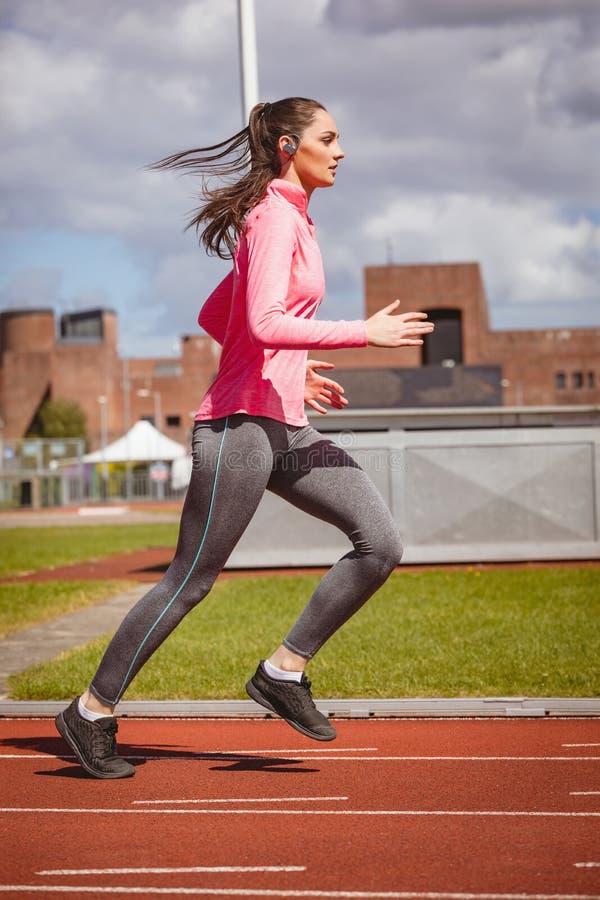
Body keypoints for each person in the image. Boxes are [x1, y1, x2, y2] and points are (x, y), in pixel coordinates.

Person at [55, 97, 434, 779]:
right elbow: (260, 319)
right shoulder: (272, 218)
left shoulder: (294, 221)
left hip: (284, 421)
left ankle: (283, 671)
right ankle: (90, 711)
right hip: (237, 426)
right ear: (290, 146)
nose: (341, 149)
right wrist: (360, 332)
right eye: (330, 137)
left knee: (381, 544)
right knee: (191, 580)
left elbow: (219, 313)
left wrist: (297, 367)